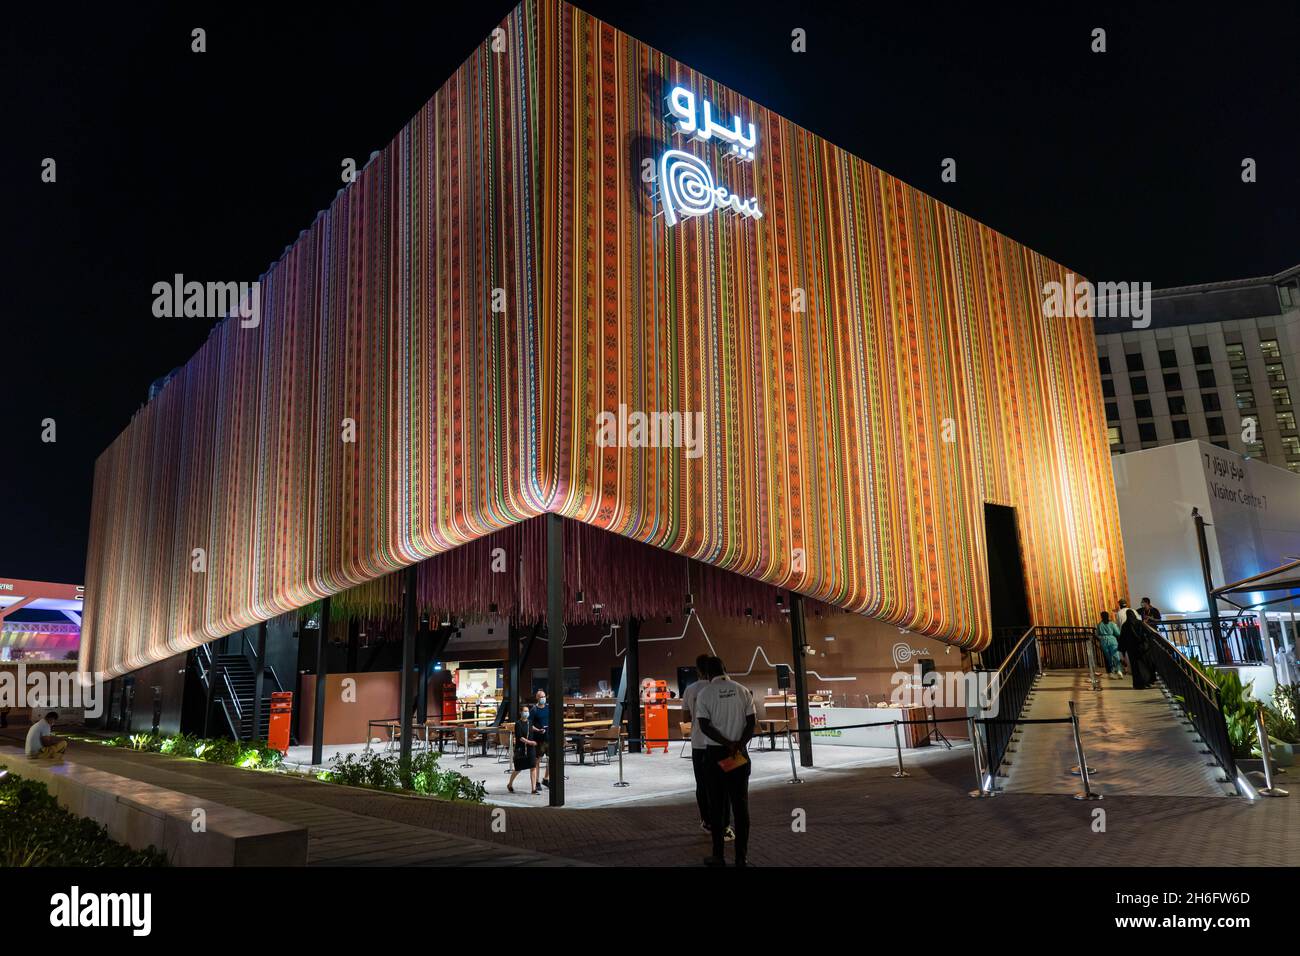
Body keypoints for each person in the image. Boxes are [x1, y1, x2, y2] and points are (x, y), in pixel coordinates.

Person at [694, 656, 755, 867]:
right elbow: (751, 723)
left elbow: (704, 726)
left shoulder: (705, 693)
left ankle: (718, 856)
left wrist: (726, 743)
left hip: (716, 755)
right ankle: (741, 858)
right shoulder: (742, 690)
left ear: (707, 674)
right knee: (740, 806)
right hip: (737, 755)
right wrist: (738, 745)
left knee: (717, 807)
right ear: (725, 668)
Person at [682, 655, 733, 842]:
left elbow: (686, 718)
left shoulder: (691, 690)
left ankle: (707, 821)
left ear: (698, 670)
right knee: (724, 785)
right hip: (722, 744)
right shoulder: (724, 688)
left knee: (702, 785)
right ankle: (725, 824)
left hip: (698, 744)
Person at [507, 705, 539, 794]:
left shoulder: (530, 722)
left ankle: (533, 789)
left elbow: (532, 728)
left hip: (530, 749)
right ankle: (510, 784)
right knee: (518, 768)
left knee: (533, 766)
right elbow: (520, 737)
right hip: (521, 748)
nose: (526, 713)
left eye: (527, 711)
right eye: (524, 711)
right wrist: (530, 742)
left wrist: (539, 730)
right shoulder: (518, 724)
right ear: (520, 712)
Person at [529, 690, 551, 790]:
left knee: (551, 759)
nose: (543, 698)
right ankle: (537, 781)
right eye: (541, 697)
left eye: (544, 696)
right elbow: (529, 724)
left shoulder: (548, 708)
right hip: (539, 738)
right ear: (537, 698)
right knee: (537, 760)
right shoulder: (534, 710)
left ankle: (546, 779)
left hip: (549, 737)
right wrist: (538, 730)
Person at [1095, 611, 1124, 679]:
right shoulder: (1112, 624)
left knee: (1108, 657)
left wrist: (1101, 638)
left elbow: (1097, 634)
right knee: (1116, 656)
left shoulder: (1099, 624)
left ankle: (1111, 672)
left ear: (1101, 616)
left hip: (1103, 641)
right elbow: (1117, 633)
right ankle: (1119, 670)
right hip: (1112, 640)